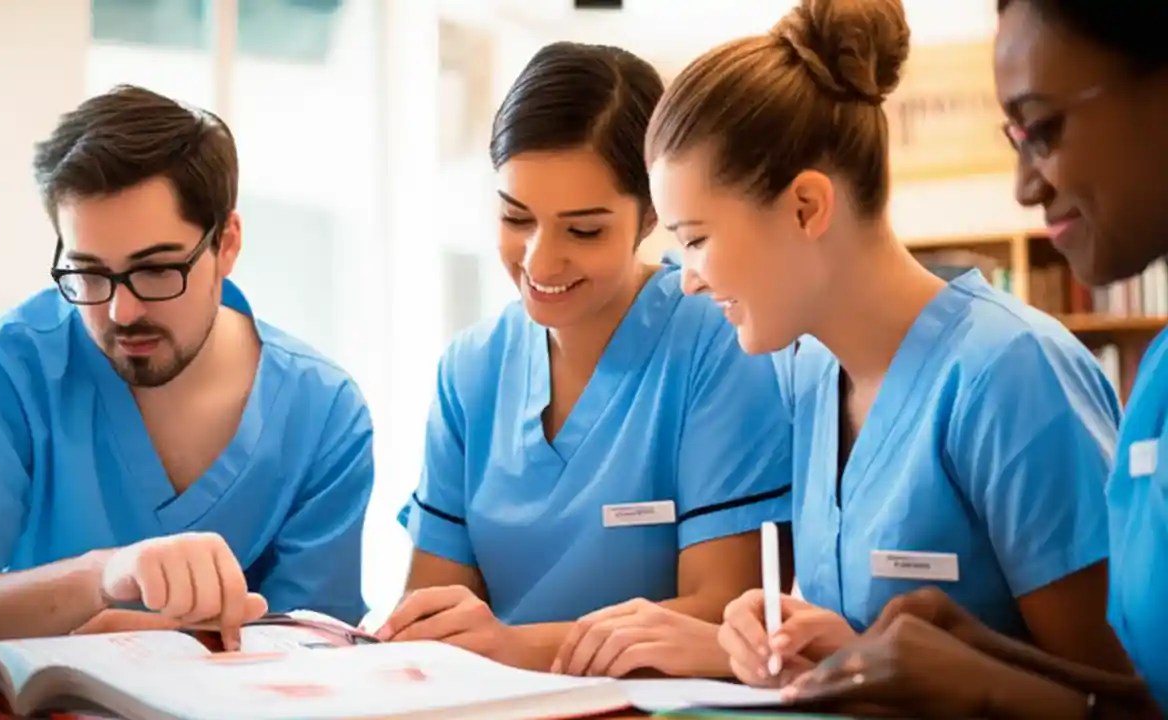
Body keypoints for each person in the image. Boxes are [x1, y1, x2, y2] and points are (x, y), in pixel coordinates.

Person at [634, 0, 1132, 687]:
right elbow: (883, 644)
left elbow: (1123, 696)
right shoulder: (810, 375)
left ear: (807, 206)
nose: (687, 279)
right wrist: (819, 642)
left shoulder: (1010, 375)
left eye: (695, 239)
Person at [0, 85, 374, 660]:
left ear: (227, 244)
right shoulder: (6, 372)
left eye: (156, 269)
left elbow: (318, 644)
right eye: (89, 273)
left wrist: (168, 644)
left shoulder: (324, 412)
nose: (122, 312)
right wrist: (102, 576)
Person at [781, 0, 1168, 717]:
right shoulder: (1157, 387)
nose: (1023, 185)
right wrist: (985, 656)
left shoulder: (1011, 365)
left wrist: (991, 687)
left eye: (1044, 128)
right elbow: (1139, 698)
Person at [376, 41, 795, 676]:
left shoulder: (719, 345)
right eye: (517, 218)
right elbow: (432, 613)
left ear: (653, 213)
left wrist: (518, 647)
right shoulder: (471, 371)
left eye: (584, 230)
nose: (540, 263)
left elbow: (724, 615)